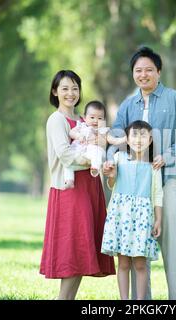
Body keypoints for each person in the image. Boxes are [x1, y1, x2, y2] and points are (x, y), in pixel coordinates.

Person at [104, 46, 176, 300]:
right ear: (133, 73)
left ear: (158, 71)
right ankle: (140, 302)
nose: (143, 75)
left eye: (148, 70)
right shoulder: (127, 105)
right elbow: (116, 137)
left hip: (167, 180)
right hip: (134, 187)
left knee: (170, 245)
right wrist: (111, 160)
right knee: (136, 249)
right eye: (138, 70)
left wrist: (169, 156)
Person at [39, 70, 115, 300]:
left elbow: (99, 144)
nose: (70, 93)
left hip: (90, 189)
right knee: (72, 253)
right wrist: (94, 159)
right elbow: (65, 155)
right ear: (55, 92)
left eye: (74, 88)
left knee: (82, 253)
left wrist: (103, 161)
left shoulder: (83, 120)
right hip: (70, 191)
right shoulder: (57, 120)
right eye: (64, 88)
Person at [101, 120, 163, 300]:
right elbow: (112, 184)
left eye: (143, 135)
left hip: (143, 218)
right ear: (127, 140)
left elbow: (158, 194)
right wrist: (111, 176)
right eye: (134, 135)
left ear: (150, 140)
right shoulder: (119, 159)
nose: (138, 139)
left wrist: (158, 219)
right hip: (121, 215)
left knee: (140, 264)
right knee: (123, 263)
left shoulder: (154, 166)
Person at [64, 100, 126, 188]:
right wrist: (78, 136)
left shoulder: (103, 131)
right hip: (78, 152)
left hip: (93, 154)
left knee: (97, 151)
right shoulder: (81, 126)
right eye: (92, 117)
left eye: (100, 118)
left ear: (104, 120)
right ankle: (69, 180)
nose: (96, 121)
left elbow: (112, 140)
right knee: (67, 164)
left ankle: (95, 167)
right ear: (85, 117)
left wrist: (123, 139)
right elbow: (71, 133)